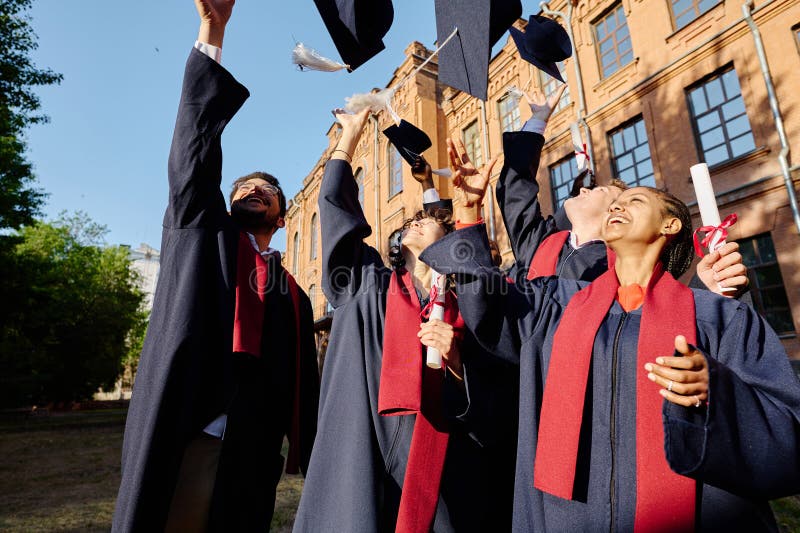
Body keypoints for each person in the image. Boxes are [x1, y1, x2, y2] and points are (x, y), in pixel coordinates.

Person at [421, 186, 800, 530]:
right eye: (615, 203)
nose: (617, 205)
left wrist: (719, 390)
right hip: (565, 515)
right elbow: (490, 306)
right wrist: (469, 214)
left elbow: (787, 428)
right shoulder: (556, 303)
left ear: (670, 224)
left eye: (635, 200)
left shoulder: (719, 317)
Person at [112, 1, 319, 531]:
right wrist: (213, 31)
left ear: (281, 214)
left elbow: (302, 381)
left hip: (250, 451)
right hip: (189, 429)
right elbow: (193, 152)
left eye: (266, 189)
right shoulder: (202, 234)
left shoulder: (292, 292)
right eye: (242, 187)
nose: (252, 189)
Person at [293, 108, 514, 532]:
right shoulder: (368, 284)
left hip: (446, 459)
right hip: (363, 449)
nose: (414, 221)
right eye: (411, 220)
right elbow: (337, 212)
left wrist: (455, 362)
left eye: (426, 220)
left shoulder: (474, 300)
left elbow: (500, 391)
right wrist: (351, 133)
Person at [496, 86, 748, 297]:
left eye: (599, 190)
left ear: (614, 212)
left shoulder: (622, 269)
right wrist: (538, 120)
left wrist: (706, 288)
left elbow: (658, 320)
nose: (583, 191)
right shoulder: (539, 244)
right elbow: (515, 191)